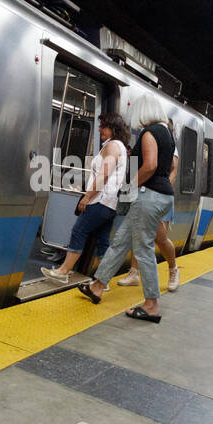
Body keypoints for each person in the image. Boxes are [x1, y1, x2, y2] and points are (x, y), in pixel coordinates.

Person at [77, 96, 176, 322]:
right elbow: (167, 165)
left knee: (143, 249)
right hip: (161, 195)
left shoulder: (150, 132)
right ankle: (98, 286)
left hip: (149, 196)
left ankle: (151, 306)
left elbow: (149, 166)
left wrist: (131, 185)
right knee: (121, 241)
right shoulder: (167, 133)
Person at [41, 113, 130, 282]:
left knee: (79, 231)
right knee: (103, 240)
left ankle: (63, 272)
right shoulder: (120, 147)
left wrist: (87, 197)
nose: (99, 129)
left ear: (113, 129)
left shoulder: (112, 147)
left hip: (101, 200)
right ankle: (103, 281)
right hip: (110, 203)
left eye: (103, 126)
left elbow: (104, 174)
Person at [117, 120, 179, 291]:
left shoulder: (168, 141)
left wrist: (160, 192)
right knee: (139, 234)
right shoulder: (147, 136)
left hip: (159, 196)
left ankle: (173, 269)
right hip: (144, 193)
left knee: (160, 238)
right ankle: (134, 273)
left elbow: (173, 170)